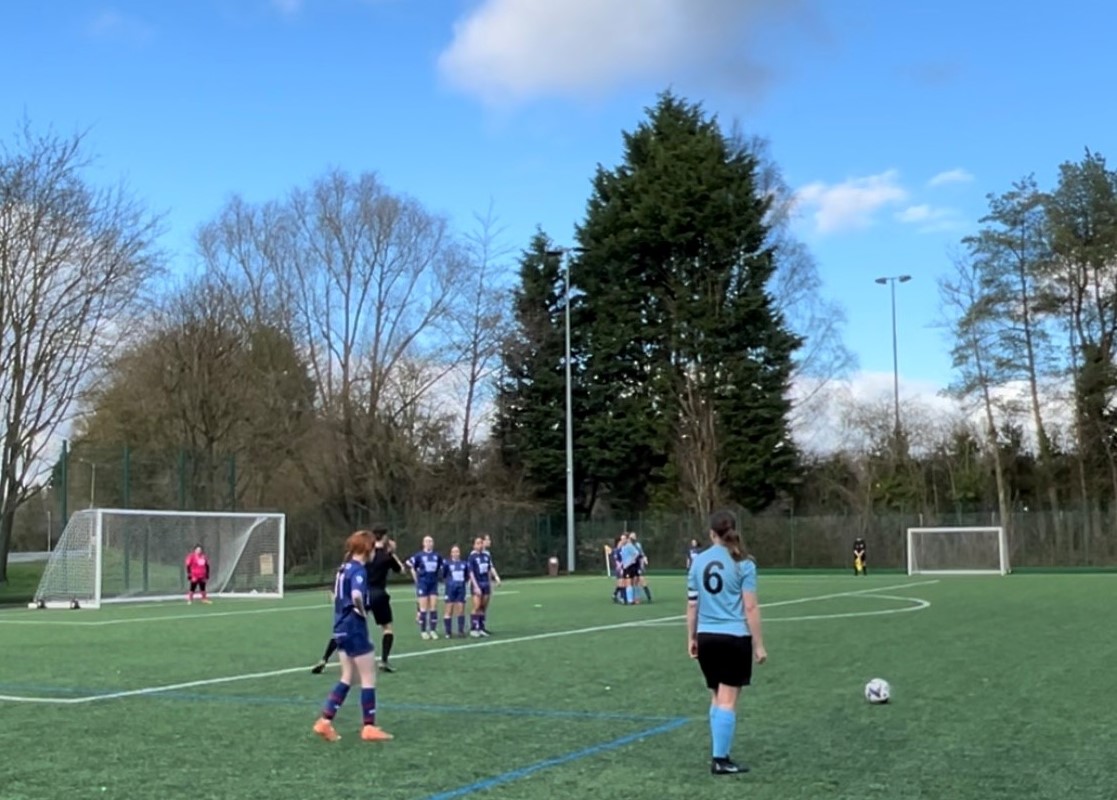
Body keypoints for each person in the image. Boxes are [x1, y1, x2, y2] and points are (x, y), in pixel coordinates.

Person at [686, 510, 767, 775]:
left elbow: (692, 605)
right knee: (728, 699)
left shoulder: (698, 562)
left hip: (707, 637)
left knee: (717, 696)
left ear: (712, 533)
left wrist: (692, 637)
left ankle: (719, 752)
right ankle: (720, 759)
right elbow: (750, 607)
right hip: (734, 638)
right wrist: (758, 644)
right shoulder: (744, 563)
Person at [312, 530, 393, 743]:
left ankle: (325, 721)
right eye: (373, 548)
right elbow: (357, 595)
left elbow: (336, 595)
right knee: (368, 676)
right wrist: (362, 612)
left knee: (348, 676)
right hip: (354, 627)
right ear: (366, 549)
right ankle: (369, 726)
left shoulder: (343, 568)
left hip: (340, 626)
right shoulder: (358, 570)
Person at [311, 525, 404, 675]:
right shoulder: (386, 555)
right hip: (378, 594)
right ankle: (384, 660)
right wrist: (393, 553)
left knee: (345, 628)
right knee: (387, 628)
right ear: (385, 537)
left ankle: (324, 659)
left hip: (362, 592)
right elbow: (401, 570)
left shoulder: (360, 554)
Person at [408, 536, 445, 640]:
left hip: (433, 584)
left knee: (433, 608)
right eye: (427, 541)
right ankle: (423, 631)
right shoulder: (419, 555)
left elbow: (441, 568)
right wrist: (416, 580)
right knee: (423, 609)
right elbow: (411, 566)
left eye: (431, 541)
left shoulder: (437, 556)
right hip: (423, 584)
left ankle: (433, 630)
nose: (429, 543)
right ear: (423, 543)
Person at [467, 536, 501, 636]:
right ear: (474, 545)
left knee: (483, 606)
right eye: (477, 543)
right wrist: (475, 586)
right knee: (477, 605)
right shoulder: (472, 557)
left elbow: (489, 569)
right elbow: (471, 572)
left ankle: (481, 627)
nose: (480, 545)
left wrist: (494, 579)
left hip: (485, 583)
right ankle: (473, 628)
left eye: (481, 543)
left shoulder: (486, 556)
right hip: (477, 584)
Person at [441, 545, 470, 638]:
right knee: (449, 610)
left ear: (459, 553)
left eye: (457, 551)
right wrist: (449, 583)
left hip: (461, 589)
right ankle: (448, 632)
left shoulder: (464, 564)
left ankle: (460, 631)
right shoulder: (447, 563)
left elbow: (467, 576)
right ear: (451, 553)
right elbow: (443, 575)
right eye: (454, 552)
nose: (455, 553)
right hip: (450, 589)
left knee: (461, 610)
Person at [629, 532, 652, 603]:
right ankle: (633, 598)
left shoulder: (637, 545)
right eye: (631, 537)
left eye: (634, 537)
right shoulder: (628, 546)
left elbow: (642, 554)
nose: (633, 538)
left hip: (637, 565)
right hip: (631, 566)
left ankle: (648, 596)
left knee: (641, 580)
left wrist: (644, 560)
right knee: (632, 582)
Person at [619, 534, 641, 605]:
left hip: (630, 567)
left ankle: (631, 600)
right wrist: (622, 565)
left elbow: (636, 553)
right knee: (627, 583)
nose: (622, 540)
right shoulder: (623, 547)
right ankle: (630, 599)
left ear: (627, 539)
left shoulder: (629, 546)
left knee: (630, 582)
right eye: (621, 539)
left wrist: (631, 561)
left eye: (623, 539)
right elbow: (623, 558)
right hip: (625, 567)